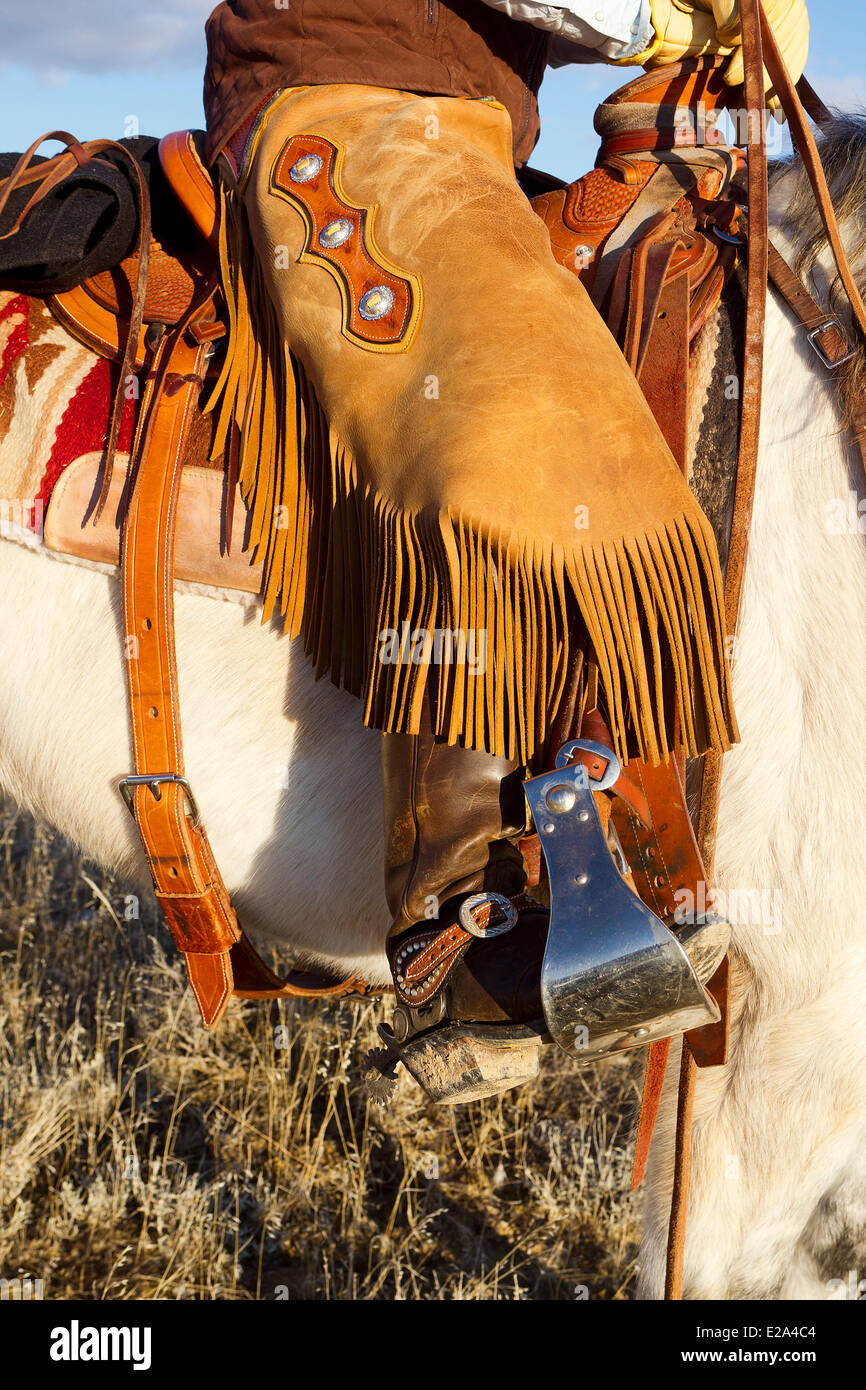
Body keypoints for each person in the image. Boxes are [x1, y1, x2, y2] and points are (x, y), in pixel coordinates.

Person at [200, 1, 809, 1089]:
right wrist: (661, 13)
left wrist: (671, 35)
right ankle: (468, 925)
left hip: (464, 129)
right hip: (348, 105)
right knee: (508, 420)